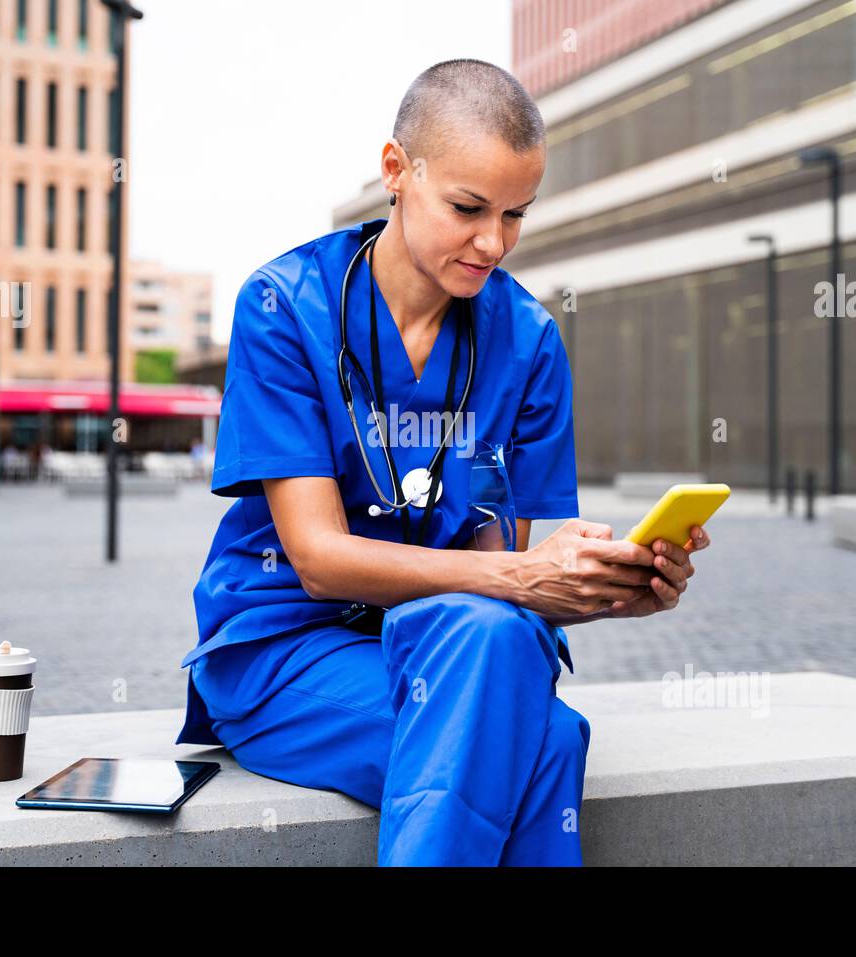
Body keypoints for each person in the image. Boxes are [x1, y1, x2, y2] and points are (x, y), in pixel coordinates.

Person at [175, 59, 711, 866]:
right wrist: (528, 580)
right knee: (547, 739)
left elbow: (501, 575)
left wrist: (602, 590)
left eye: (516, 215)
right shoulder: (286, 306)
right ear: (396, 170)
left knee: (499, 662)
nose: (492, 242)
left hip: (449, 646)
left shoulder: (527, 342)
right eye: (467, 208)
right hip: (288, 650)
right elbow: (318, 560)